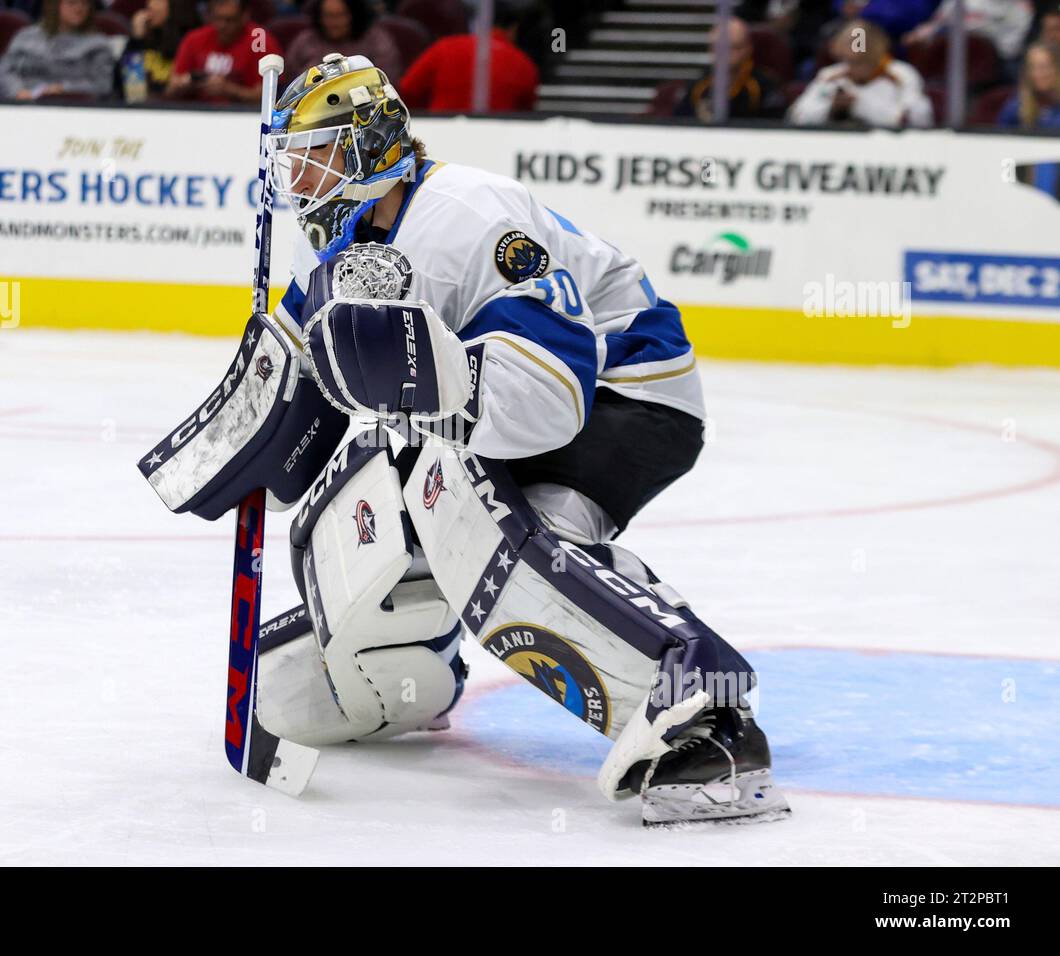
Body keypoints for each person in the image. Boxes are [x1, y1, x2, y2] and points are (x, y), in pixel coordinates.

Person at [169, 53, 789, 825]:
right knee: (373, 486)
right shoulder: (332, 241)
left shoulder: (469, 215)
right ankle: (410, 672)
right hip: (517, 406)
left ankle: (707, 714)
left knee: (482, 520)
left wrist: (433, 392)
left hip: (627, 394)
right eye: (293, 163)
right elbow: (299, 386)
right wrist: (245, 447)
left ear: (371, 145)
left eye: (318, 157)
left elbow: (553, 394)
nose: (302, 180)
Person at [788, 18, 934, 125]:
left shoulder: (902, 74)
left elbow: (918, 120)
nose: (854, 68)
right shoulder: (831, 75)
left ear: (878, 56)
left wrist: (859, 105)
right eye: (849, 61)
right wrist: (831, 109)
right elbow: (796, 116)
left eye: (862, 62)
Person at [398, 2, 539, 112]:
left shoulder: (444, 48)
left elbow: (406, 91)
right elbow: (525, 115)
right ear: (514, 29)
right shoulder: (524, 64)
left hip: (439, 138)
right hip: (496, 142)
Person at [0, 0, 114, 101]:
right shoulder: (26, 37)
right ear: (54, 5)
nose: (79, 8)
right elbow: (3, 73)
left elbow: (102, 85)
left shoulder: (98, 45)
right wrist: (17, 91)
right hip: (24, 103)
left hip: (73, 107)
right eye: (72, 3)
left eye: (85, 3)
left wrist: (63, 89)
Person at [168, 0, 282, 103]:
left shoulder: (260, 41)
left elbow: (268, 98)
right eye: (218, 19)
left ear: (244, 16)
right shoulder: (194, 39)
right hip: (196, 111)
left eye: (230, 20)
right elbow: (171, 88)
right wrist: (186, 83)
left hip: (242, 114)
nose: (222, 26)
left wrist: (229, 90)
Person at [674, 16, 787, 119]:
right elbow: (679, 123)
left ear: (748, 49)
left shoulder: (764, 86)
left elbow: (775, 127)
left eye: (733, 47)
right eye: (718, 47)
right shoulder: (698, 85)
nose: (725, 54)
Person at [284, 0, 402, 83]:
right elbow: (290, 81)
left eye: (340, 15)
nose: (334, 23)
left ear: (354, 15)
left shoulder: (377, 40)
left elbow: (386, 79)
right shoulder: (305, 41)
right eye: (328, 16)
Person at [903, 0, 1033, 65]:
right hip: (946, 64)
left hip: (995, 65)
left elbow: (1010, 48)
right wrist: (918, 35)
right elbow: (938, 23)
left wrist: (979, 35)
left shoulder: (1019, 5)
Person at [119, 0, 197, 97]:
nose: (150, 5)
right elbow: (122, 85)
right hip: (139, 107)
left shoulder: (191, 41)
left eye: (157, 1)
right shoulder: (142, 39)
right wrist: (136, 39)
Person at [998, 41, 1060, 127]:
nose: (1037, 73)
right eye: (1032, 67)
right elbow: (1000, 137)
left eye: (1044, 67)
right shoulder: (1015, 107)